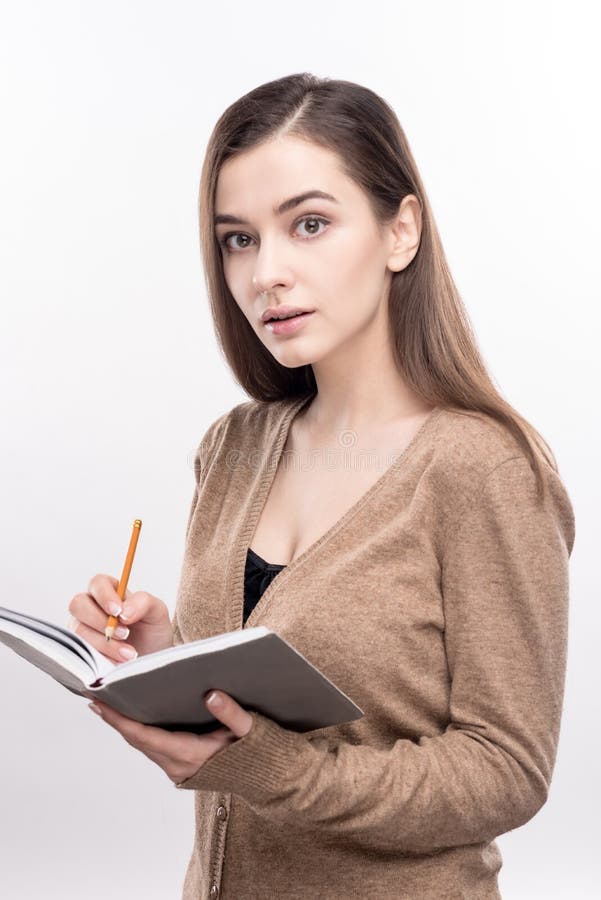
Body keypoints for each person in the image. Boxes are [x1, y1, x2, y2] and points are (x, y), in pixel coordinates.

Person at [68, 73, 575, 899]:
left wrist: (276, 771)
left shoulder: (481, 469)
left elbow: (506, 770)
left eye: (308, 224)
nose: (267, 271)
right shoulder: (233, 447)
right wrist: (164, 662)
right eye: (238, 238)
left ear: (399, 231)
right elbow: (254, 703)